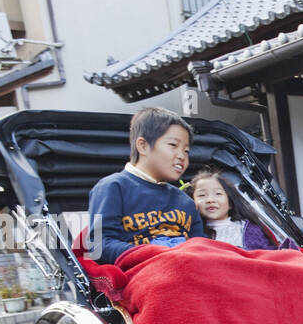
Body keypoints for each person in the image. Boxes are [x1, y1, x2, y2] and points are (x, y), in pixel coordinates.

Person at [86, 106, 205, 264]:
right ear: (142, 146)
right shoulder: (113, 187)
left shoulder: (186, 202)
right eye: (173, 145)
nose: (181, 156)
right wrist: (152, 253)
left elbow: (201, 248)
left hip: (187, 270)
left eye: (187, 151)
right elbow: (98, 246)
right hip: (142, 273)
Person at [189, 166, 292, 251]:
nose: (210, 199)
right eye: (202, 195)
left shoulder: (246, 228)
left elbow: (266, 255)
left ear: (230, 203)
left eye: (218, 193)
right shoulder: (191, 232)